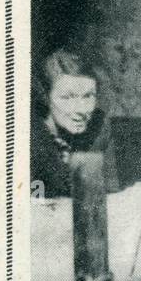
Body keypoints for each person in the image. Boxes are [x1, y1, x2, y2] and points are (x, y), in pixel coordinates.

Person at [31, 49, 120, 199]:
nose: (80, 109)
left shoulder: (99, 126)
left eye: (88, 95)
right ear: (46, 98)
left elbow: (111, 194)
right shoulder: (29, 134)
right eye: (67, 97)